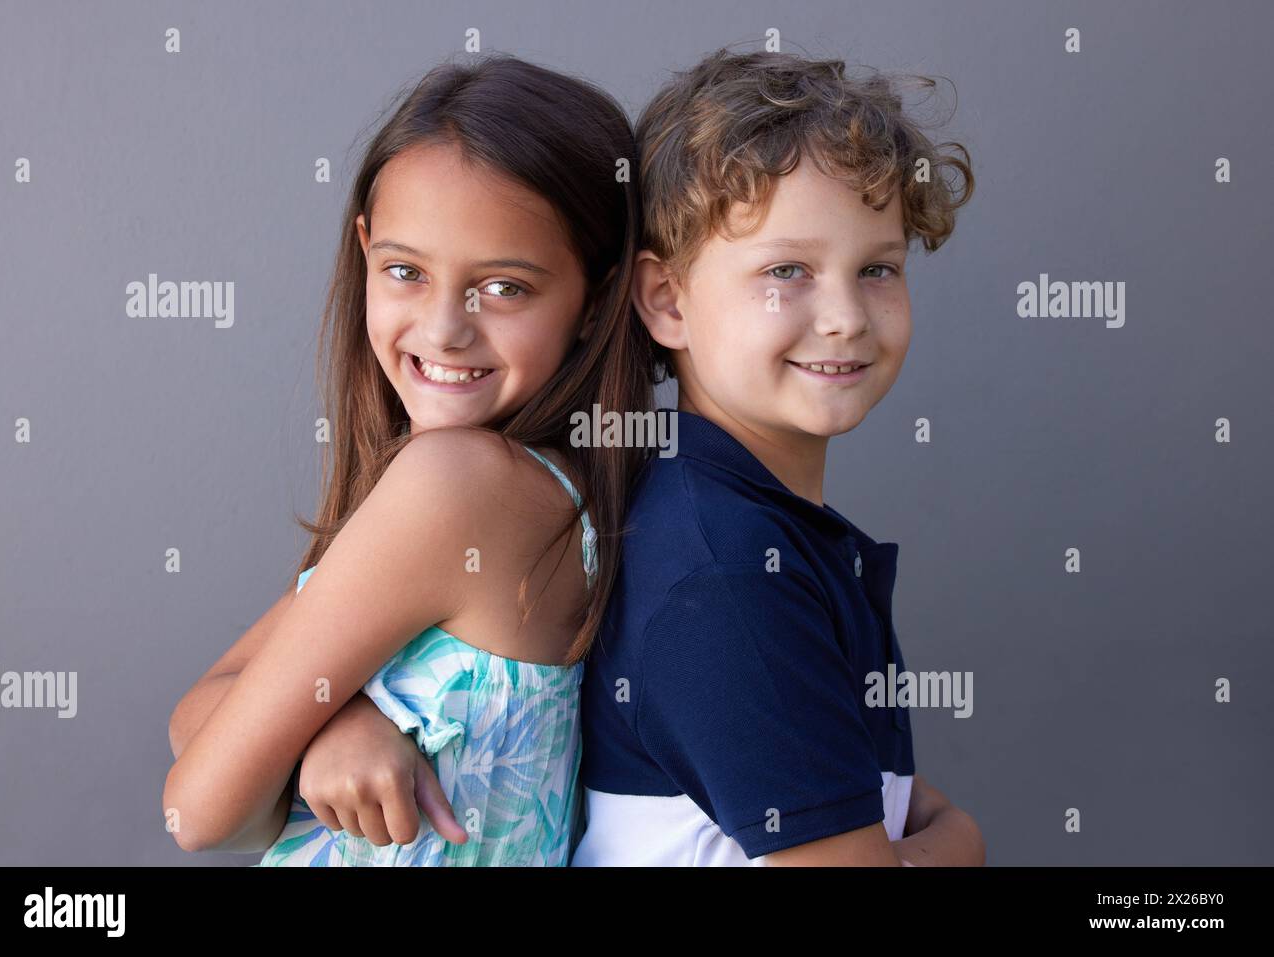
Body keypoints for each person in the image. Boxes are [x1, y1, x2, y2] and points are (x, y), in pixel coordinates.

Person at [163, 53, 654, 865]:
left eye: (504, 287)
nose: (443, 328)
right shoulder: (566, 489)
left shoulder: (456, 485)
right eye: (405, 271)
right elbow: (204, 702)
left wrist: (303, 719)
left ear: (598, 296)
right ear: (365, 252)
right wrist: (337, 719)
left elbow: (197, 810)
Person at [570, 48, 985, 865]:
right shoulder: (726, 574)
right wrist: (964, 844)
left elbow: (876, 798)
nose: (844, 317)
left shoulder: (759, 532)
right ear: (667, 299)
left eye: (877, 269)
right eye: (785, 270)